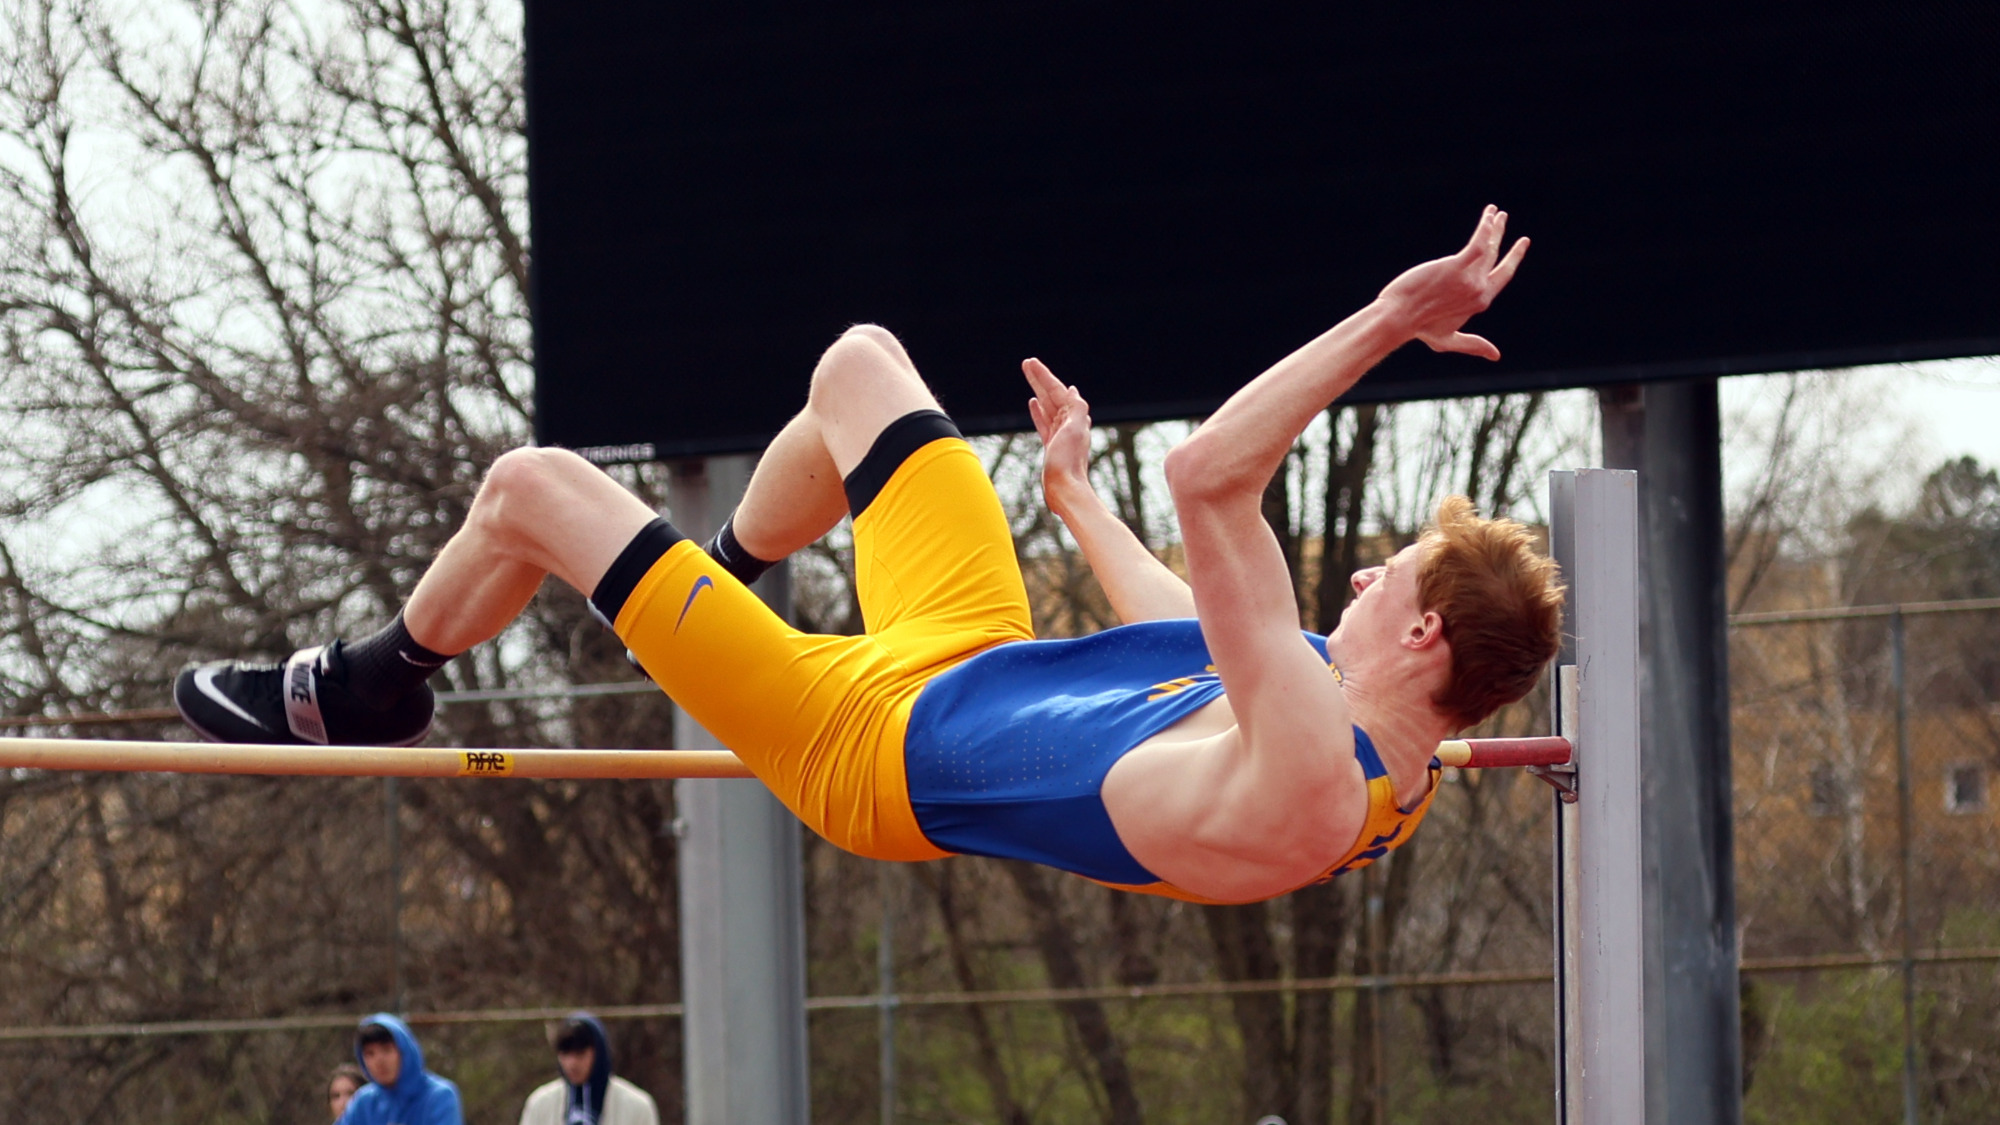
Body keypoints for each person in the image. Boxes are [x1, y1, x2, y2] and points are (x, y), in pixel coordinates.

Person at [177, 208, 1559, 904]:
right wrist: (1073, 500)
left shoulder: (1319, 777)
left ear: (1430, 638)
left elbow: (1210, 478)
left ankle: (371, 682)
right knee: (859, 369)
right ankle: (721, 582)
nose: (1366, 579)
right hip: (971, 655)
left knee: (529, 487)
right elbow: (1193, 621)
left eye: (1395, 580)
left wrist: (1382, 321)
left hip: (869, 748)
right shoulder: (1360, 728)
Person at [517, 1013, 659, 1125]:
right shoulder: (540, 1104)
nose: (572, 1063)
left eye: (580, 1054)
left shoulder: (637, 1106)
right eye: (565, 1054)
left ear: (598, 1053)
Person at [335, 1013, 463, 1125]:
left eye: (387, 1050)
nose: (379, 1061)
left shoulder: (439, 1096)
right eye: (370, 1054)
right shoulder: (365, 1102)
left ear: (404, 1052)